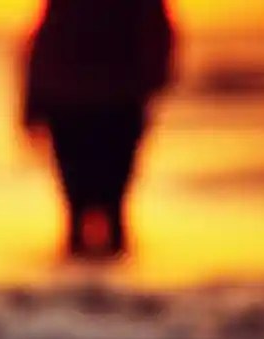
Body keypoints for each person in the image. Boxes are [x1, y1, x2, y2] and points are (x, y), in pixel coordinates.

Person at [22, 0, 177, 259]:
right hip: (95, 103)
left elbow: (44, 40)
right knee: (97, 208)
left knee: (96, 208)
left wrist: (33, 102)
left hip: (96, 103)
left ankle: (96, 283)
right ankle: (103, 284)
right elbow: (45, 39)